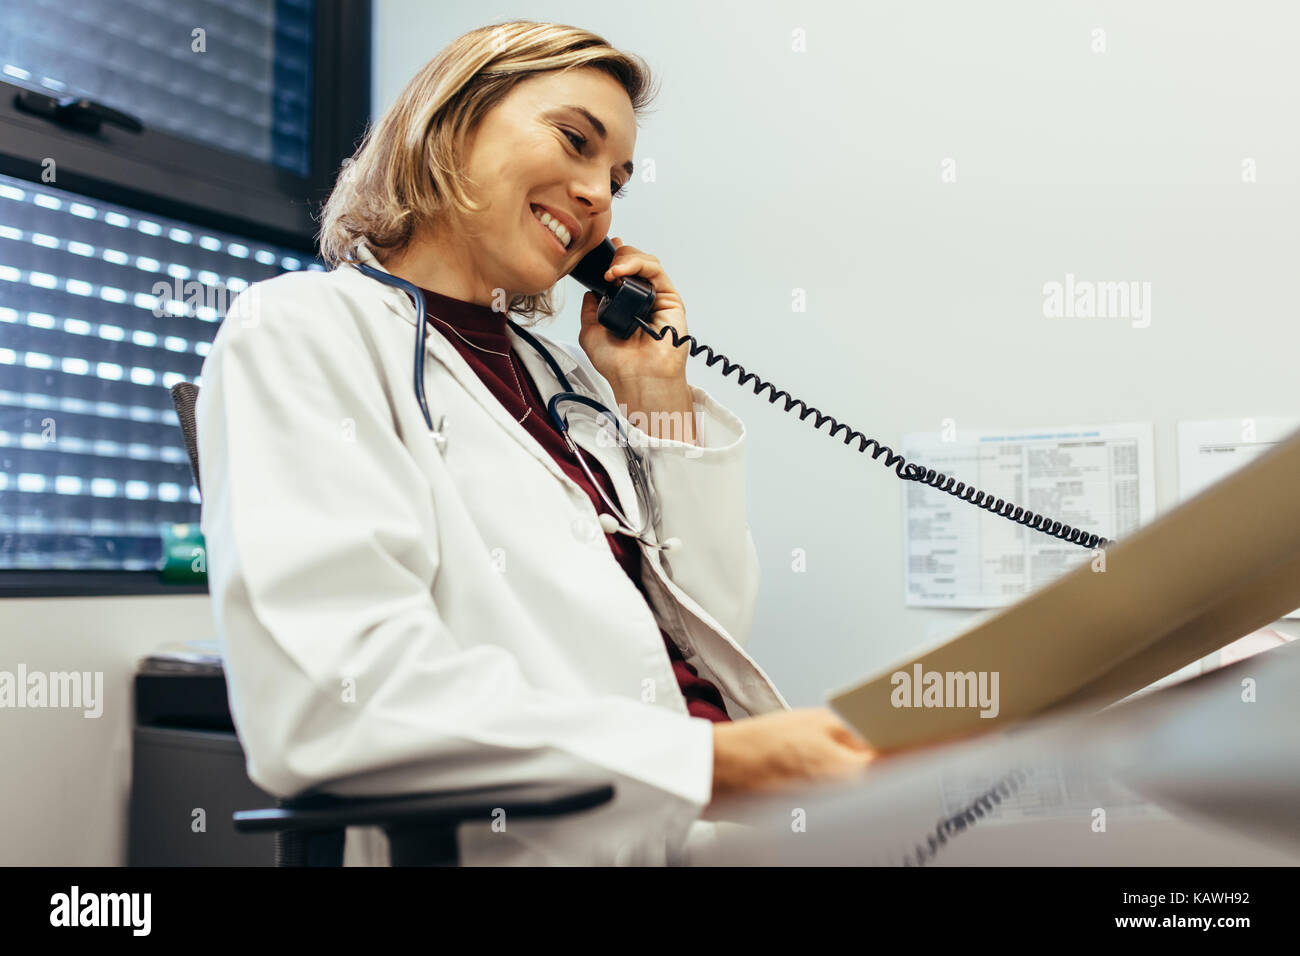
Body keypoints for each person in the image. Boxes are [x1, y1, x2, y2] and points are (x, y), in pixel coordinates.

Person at [196, 18, 874, 867]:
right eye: (574, 141)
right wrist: (709, 763)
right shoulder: (303, 331)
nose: (598, 196)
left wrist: (654, 395)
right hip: (561, 842)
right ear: (450, 120)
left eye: (619, 178)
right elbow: (338, 697)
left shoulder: (563, 376)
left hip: (701, 828)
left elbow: (707, 628)